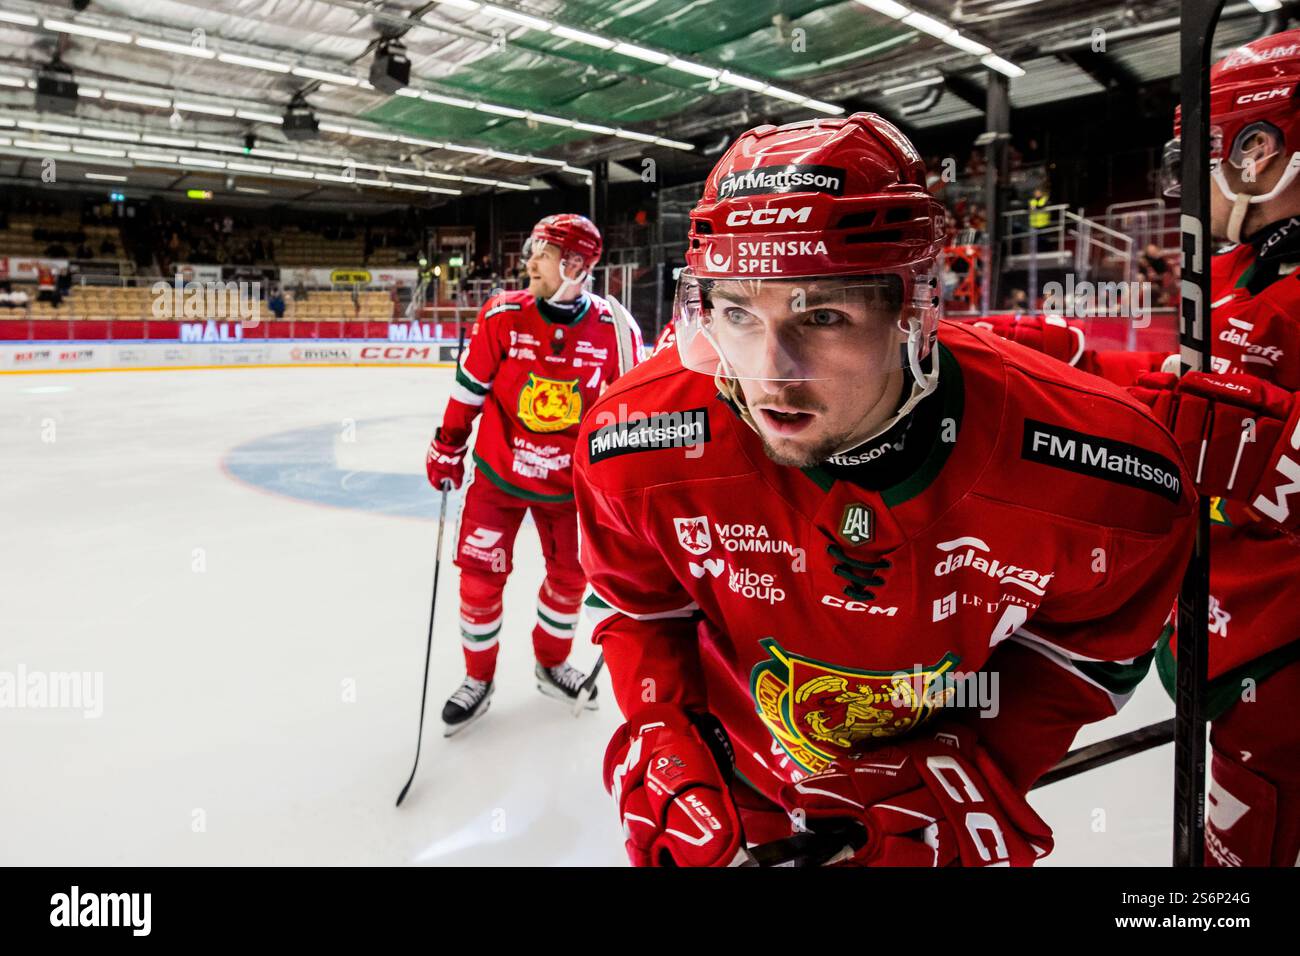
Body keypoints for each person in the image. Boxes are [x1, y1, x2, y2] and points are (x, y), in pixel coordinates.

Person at [572, 113, 1197, 867]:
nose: (770, 372)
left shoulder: (1103, 473)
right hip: (735, 782)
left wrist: (978, 760)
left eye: (823, 315)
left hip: (933, 785)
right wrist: (664, 726)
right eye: (737, 311)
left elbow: (1085, 653)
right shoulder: (636, 438)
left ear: (915, 310)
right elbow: (641, 606)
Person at [987, 31, 1300, 866]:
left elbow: (1224, 426)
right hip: (1241, 642)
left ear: (1259, 149)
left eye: (1199, 153)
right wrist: (1067, 359)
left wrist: (1267, 450)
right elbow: (1190, 396)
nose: (1186, 181)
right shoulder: (1250, 276)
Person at [424, 214, 643, 734]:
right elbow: (468, 391)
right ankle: (478, 678)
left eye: (540, 255)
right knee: (479, 580)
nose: (528, 264)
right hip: (498, 478)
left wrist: (635, 483)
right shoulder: (503, 316)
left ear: (574, 264)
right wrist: (447, 446)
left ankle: (551, 665)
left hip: (569, 490)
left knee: (570, 580)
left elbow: (631, 414)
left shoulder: (616, 330)